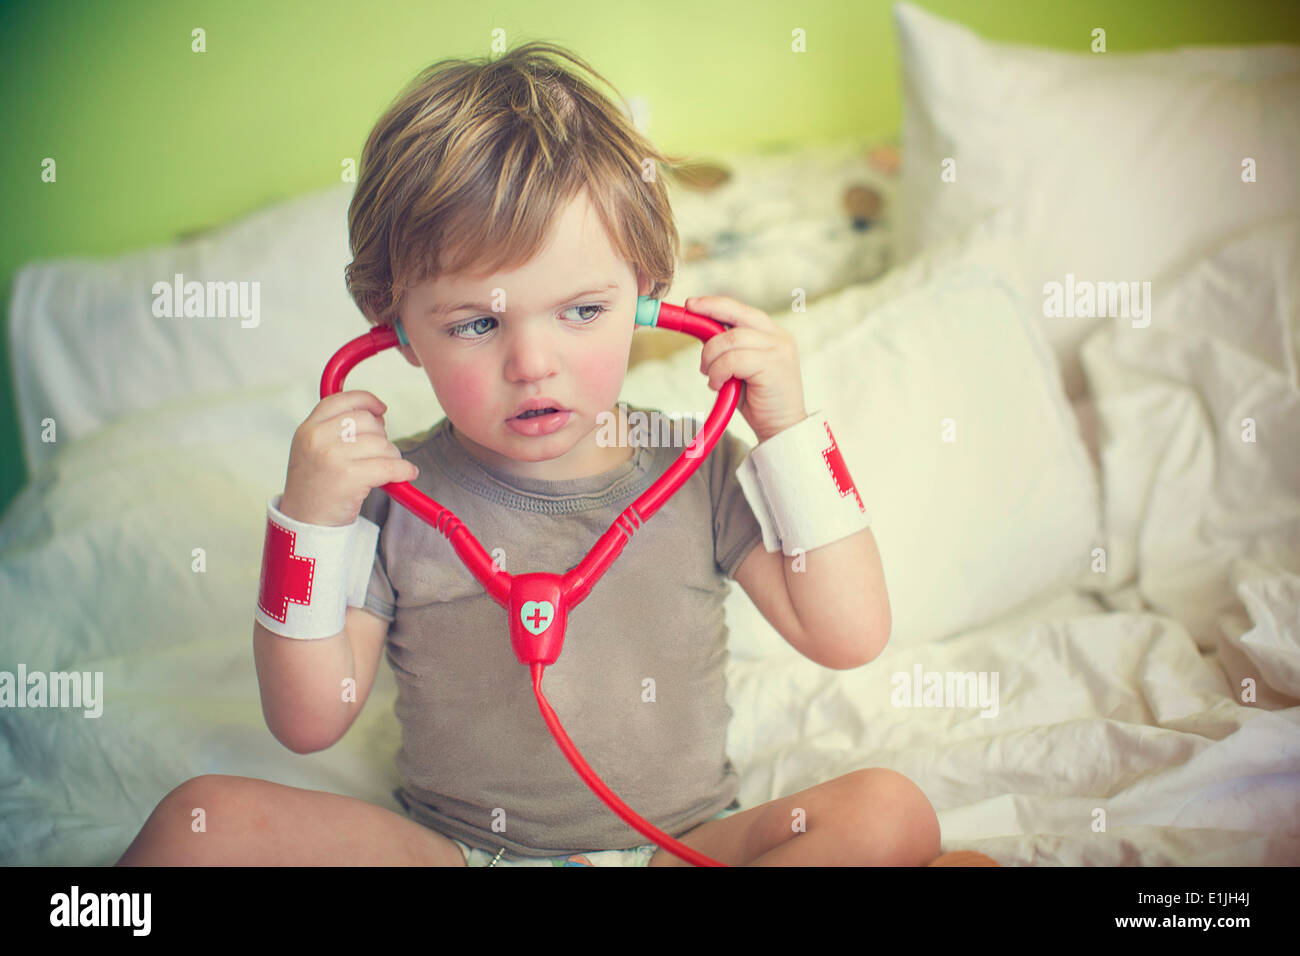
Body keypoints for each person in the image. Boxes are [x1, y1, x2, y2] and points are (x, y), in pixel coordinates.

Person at [115, 41, 947, 868]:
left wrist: (791, 435)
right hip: (457, 850)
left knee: (889, 812)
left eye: (581, 311)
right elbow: (308, 721)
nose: (532, 362)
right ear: (392, 323)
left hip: (679, 848)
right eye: (477, 323)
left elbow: (851, 634)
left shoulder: (700, 468)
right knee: (205, 819)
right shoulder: (392, 496)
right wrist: (307, 522)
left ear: (649, 292)